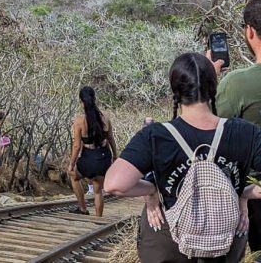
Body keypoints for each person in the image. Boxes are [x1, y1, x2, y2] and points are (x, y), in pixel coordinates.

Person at [105, 53, 261, 263]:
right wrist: (244, 193)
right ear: (214, 87)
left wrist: (152, 188)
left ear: (175, 91)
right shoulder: (246, 133)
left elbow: (115, 185)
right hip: (226, 242)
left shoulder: (157, 136)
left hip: (169, 242)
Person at [210, 0, 261, 257]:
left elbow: (207, 133)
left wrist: (205, 77)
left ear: (250, 31)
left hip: (254, 196)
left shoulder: (236, 84)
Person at [67, 86, 117, 217]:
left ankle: (82, 208)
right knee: (97, 190)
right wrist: (115, 156)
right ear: (94, 99)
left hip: (89, 157)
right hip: (104, 157)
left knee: (74, 176)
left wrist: (71, 164)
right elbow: (111, 138)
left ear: (81, 102)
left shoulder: (79, 120)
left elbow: (77, 146)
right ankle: (98, 219)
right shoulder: (105, 117)